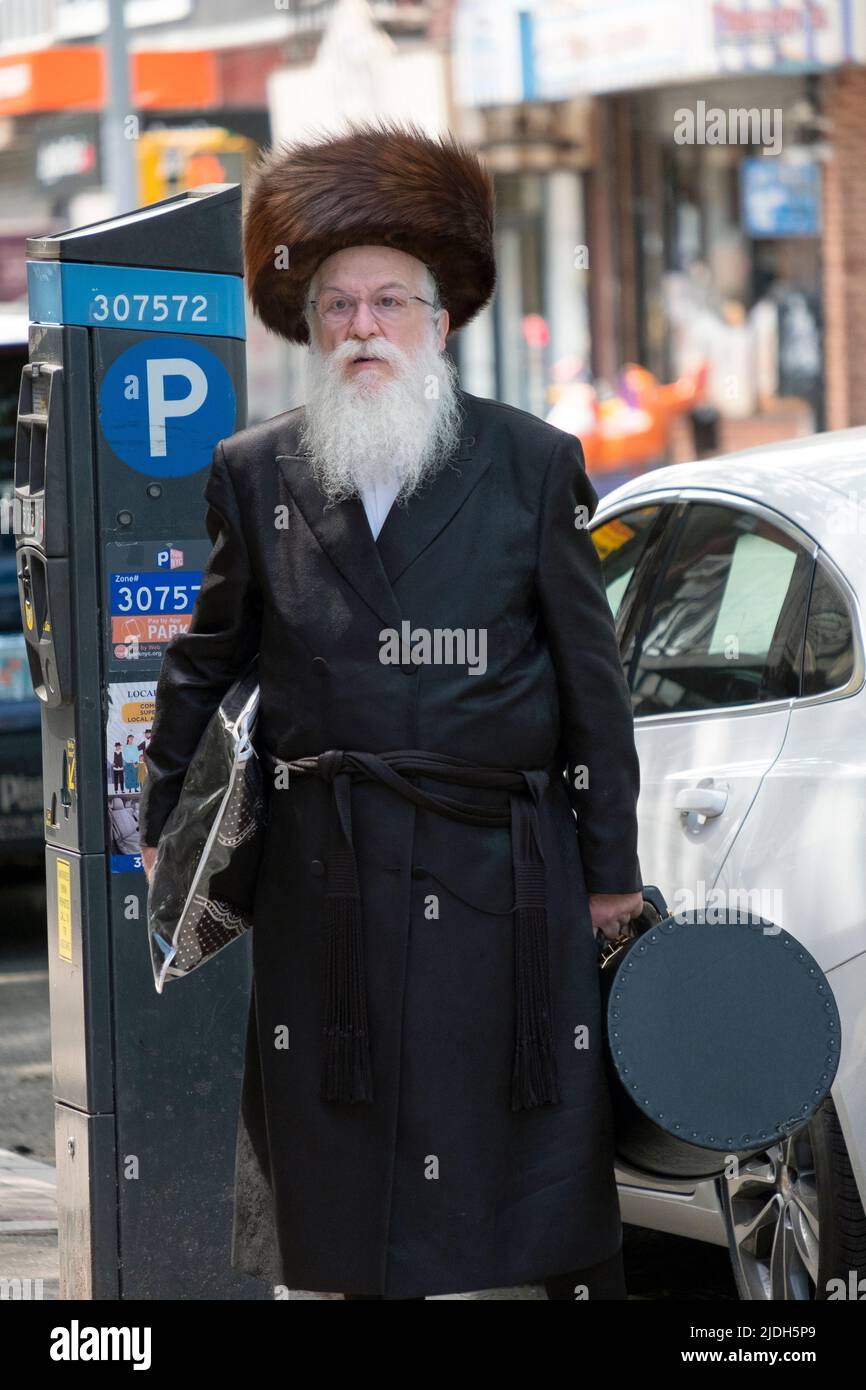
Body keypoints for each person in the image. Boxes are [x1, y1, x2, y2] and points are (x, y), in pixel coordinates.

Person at [139, 119, 644, 1301]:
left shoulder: (533, 462)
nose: (361, 326)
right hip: (329, 869)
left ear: (439, 320)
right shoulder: (253, 470)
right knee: (335, 1144)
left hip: (499, 870)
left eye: (386, 302)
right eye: (336, 307)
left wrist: (608, 868)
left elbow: (592, 682)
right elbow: (205, 660)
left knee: (489, 1147)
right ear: (311, 329)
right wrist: (165, 818)